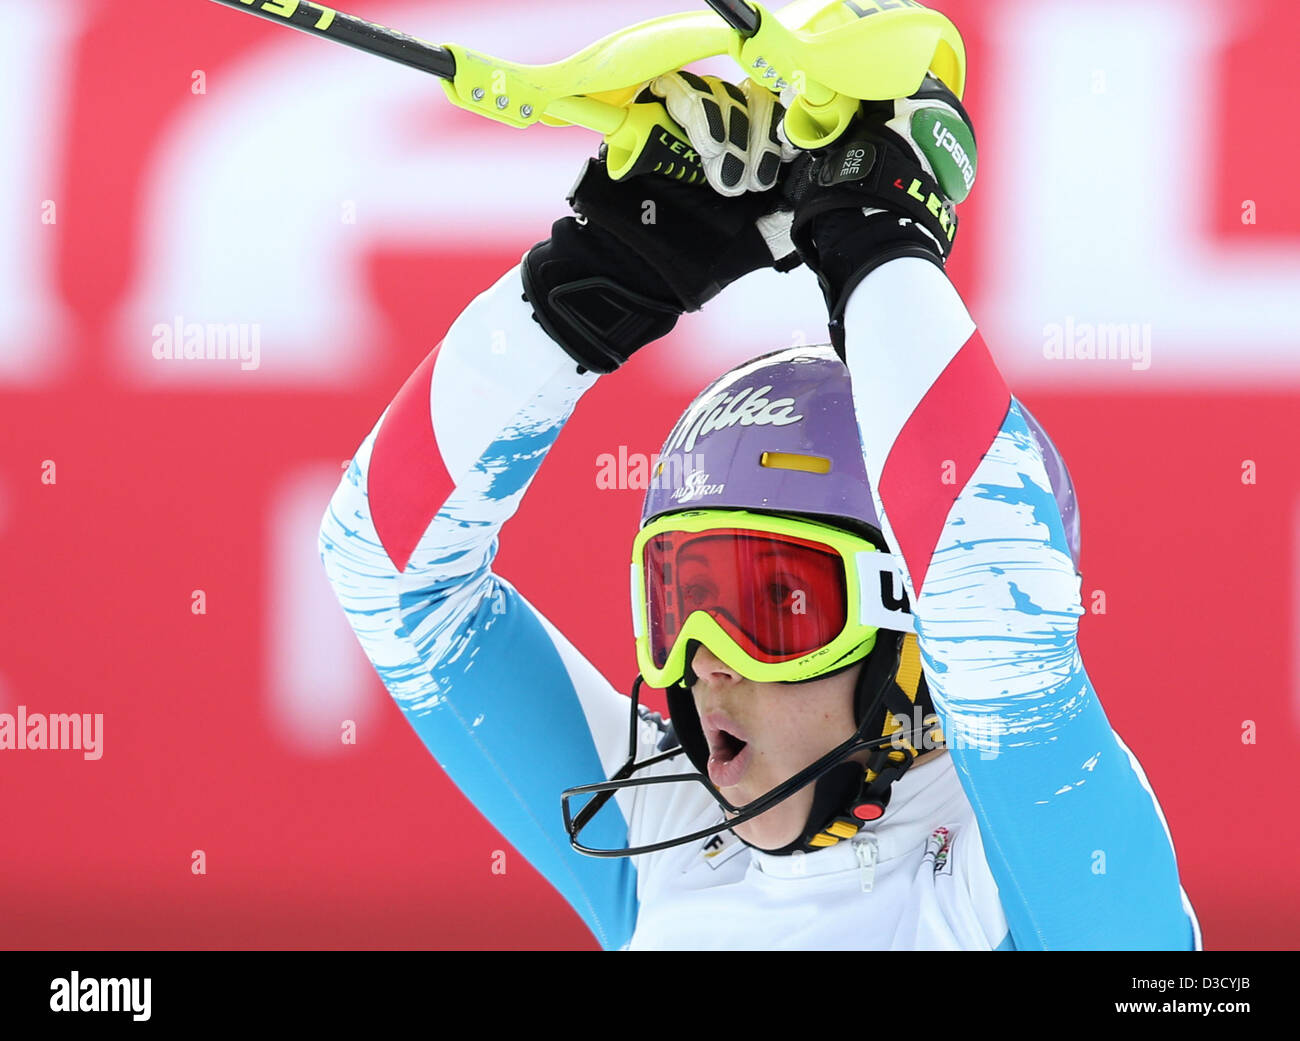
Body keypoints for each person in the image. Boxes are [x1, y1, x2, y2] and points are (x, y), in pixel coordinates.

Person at [318, 70, 1200, 950]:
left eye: (777, 606)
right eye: (679, 603)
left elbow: (994, 602)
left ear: (916, 634)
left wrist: (878, 245)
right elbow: (389, 569)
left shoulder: (1035, 895)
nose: (705, 668)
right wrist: (594, 283)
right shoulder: (675, 849)